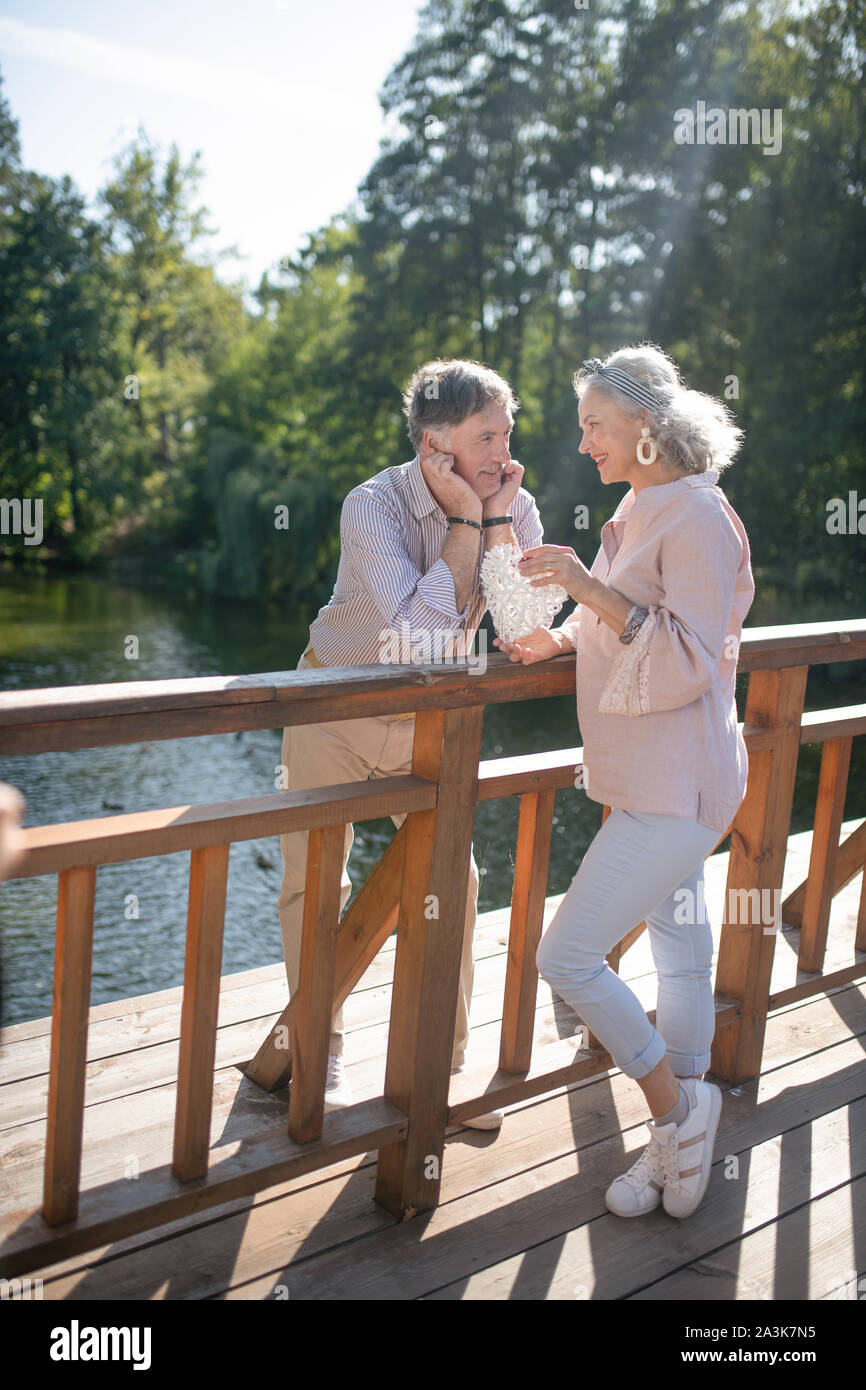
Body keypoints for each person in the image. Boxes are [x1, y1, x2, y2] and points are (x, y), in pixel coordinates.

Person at [494, 344, 754, 1219]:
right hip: (650, 780)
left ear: (647, 427)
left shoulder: (701, 519)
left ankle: (681, 1112)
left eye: (594, 425)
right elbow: (616, 619)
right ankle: (678, 1148)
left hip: (678, 787)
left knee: (564, 956)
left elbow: (683, 656)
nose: (583, 444)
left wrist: (578, 585)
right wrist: (558, 636)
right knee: (681, 960)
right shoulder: (644, 507)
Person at [277, 358, 544, 1127]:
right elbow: (413, 640)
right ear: (435, 442)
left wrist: (492, 517)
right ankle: (312, 1046)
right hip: (336, 702)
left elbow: (527, 628)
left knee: (451, 882)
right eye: (485, 435)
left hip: (434, 721)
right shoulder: (372, 504)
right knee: (314, 880)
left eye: (507, 433)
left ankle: (440, 1070)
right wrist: (465, 522)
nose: (504, 452)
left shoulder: (513, 504)